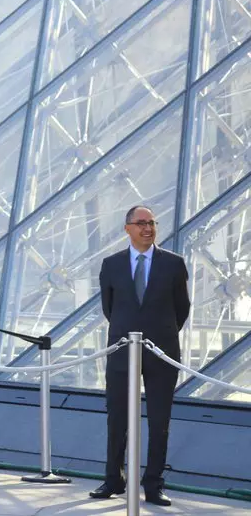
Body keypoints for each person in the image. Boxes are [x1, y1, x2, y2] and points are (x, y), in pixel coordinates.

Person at [90, 206, 190, 507]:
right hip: (121, 350)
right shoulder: (111, 264)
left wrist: (159, 332)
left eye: (152, 223)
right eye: (141, 223)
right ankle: (113, 479)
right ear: (127, 229)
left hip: (162, 351)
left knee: (159, 420)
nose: (148, 228)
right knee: (116, 417)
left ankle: (154, 484)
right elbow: (110, 308)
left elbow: (181, 308)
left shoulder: (174, 264)